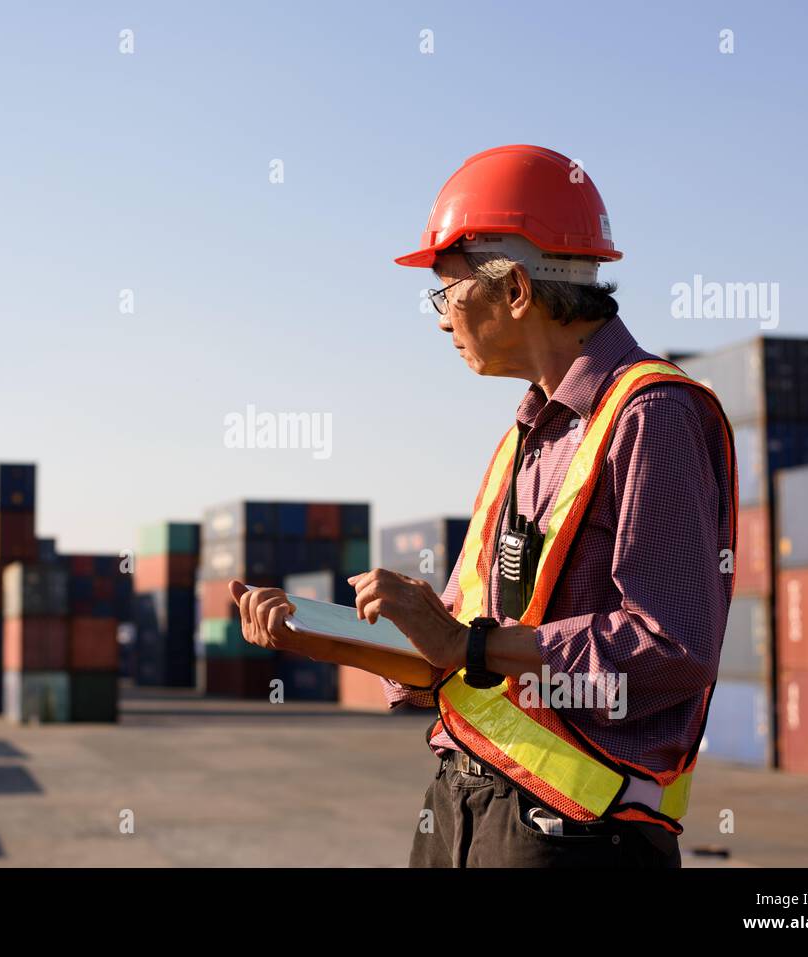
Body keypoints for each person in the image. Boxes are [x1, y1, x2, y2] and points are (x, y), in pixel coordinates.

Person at [229, 145, 737, 868]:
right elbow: (451, 658)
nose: (442, 320)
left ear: (518, 289)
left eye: (448, 292)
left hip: (574, 838)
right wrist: (316, 634)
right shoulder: (522, 439)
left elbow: (673, 649)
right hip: (461, 810)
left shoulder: (653, 415)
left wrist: (474, 646)